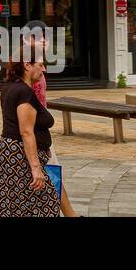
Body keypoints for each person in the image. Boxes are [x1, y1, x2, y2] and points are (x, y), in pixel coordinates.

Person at [0, 44, 62, 217]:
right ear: (27, 65)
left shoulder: (11, 87)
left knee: (3, 201)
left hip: (10, 153)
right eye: (40, 64)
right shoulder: (24, 92)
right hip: (19, 158)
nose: (44, 69)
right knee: (46, 203)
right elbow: (26, 132)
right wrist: (35, 168)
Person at [19, 21, 78, 217]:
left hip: (37, 131)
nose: (45, 40)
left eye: (46, 36)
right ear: (28, 39)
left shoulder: (36, 67)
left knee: (47, 173)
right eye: (39, 36)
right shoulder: (28, 70)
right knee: (52, 172)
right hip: (35, 133)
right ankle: (70, 214)